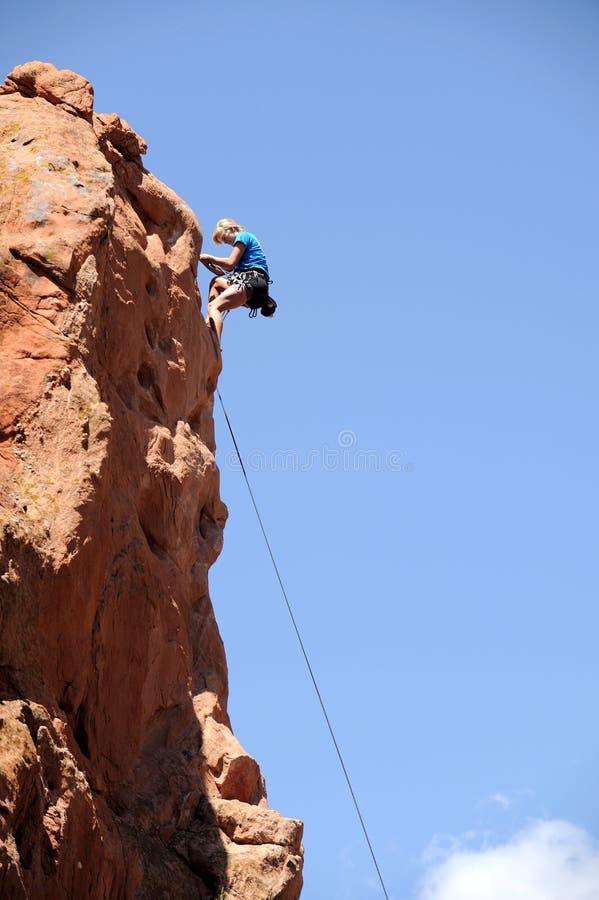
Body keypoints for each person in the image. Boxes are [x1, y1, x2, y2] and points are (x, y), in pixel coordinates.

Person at [199, 218, 271, 345]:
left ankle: (214, 344)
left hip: (251, 281)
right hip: (255, 288)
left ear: (231, 229)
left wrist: (210, 257)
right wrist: (206, 263)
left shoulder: (243, 236)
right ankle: (209, 322)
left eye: (225, 238)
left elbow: (230, 264)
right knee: (216, 282)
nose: (226, 242)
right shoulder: (247, 245)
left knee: (213, 306)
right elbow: (221, 273)